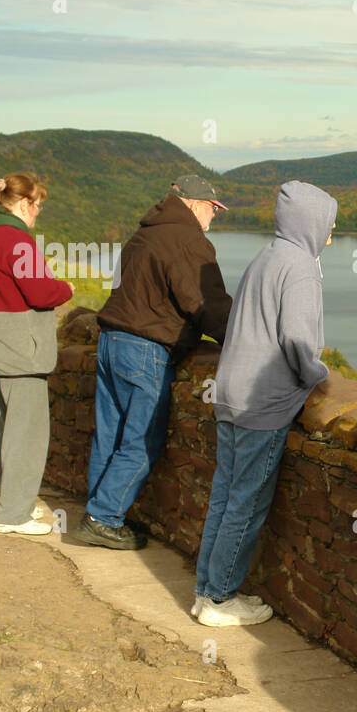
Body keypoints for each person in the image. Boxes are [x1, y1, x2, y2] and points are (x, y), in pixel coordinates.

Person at [191, 181, 337, 627]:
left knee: (224, 497)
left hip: (232, 392)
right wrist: (317, 375)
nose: (331, 234)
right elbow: (296, 338)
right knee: (247, 504)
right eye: (329, 224)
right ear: (310, 223)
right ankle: (219, 599)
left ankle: (204, 590)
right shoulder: (300, 267)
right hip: (265, 400)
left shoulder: (268, 255)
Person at [74, 175, 232, 550]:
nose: (214, 216)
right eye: (212, 208)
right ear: (194, 204)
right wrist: (240, 339)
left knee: (109, 437)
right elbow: (206, 305)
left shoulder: (144, 234)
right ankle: (102, 518)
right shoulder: (188, 240)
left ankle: (99, 511)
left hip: (111, 341)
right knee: (143, 440)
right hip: (145, 348)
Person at [0, 172, 73, 535]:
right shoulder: (15, 241)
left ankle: (15, 503)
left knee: (7, 429)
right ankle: (12, 515)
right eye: (37, 206)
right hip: (18, 351)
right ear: (23, 203)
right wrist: (65, 288)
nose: (38, 213)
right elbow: (41, 293)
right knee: (27, 433)